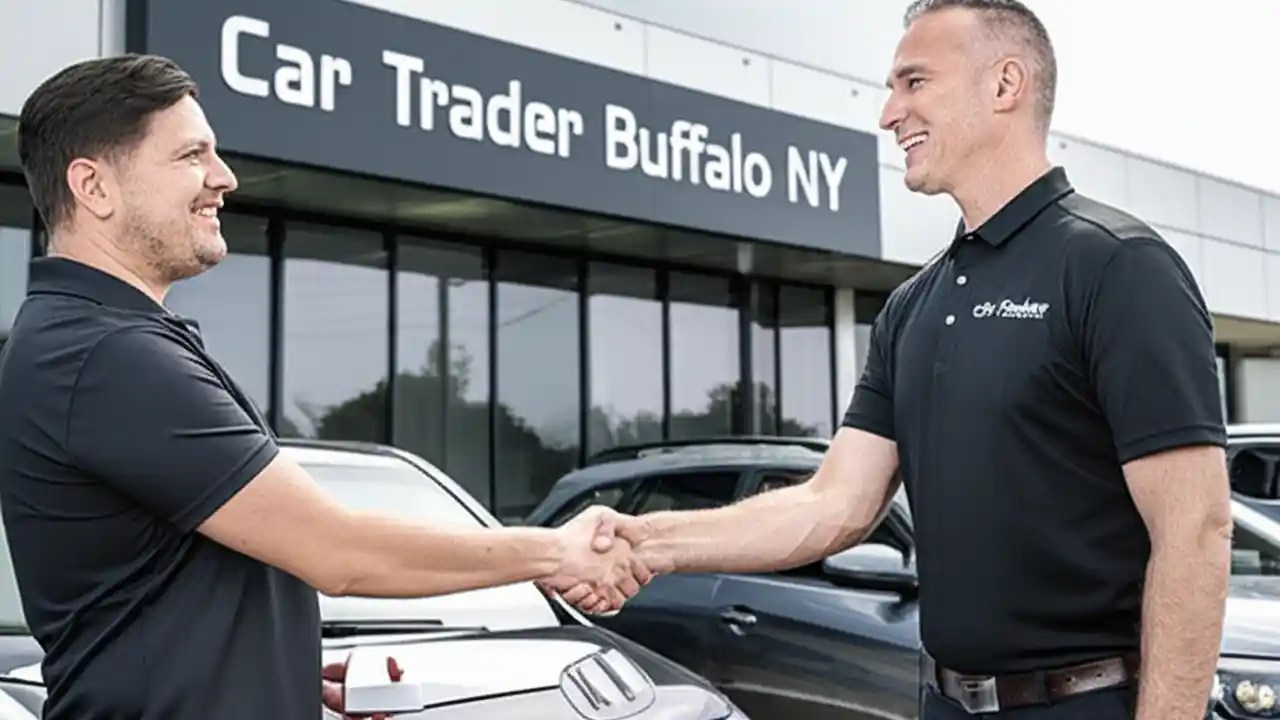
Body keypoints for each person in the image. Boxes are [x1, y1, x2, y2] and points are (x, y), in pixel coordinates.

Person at [556, 1, 1232, 718]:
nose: (889, 114)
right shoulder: (912, 305)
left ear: (1005, 85)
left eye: (914, 83)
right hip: (940, 701)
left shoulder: (1118, 267)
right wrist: (647, 539)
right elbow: (833, 505)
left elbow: (1195, 529)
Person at [0, 54, 649, 719]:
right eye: (191, 155)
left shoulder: (98, 341)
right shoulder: (107, 355)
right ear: (94, 187)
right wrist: (557, 551)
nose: (223, 178)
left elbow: (152, 582)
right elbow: (338, 551)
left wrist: (270, 674)